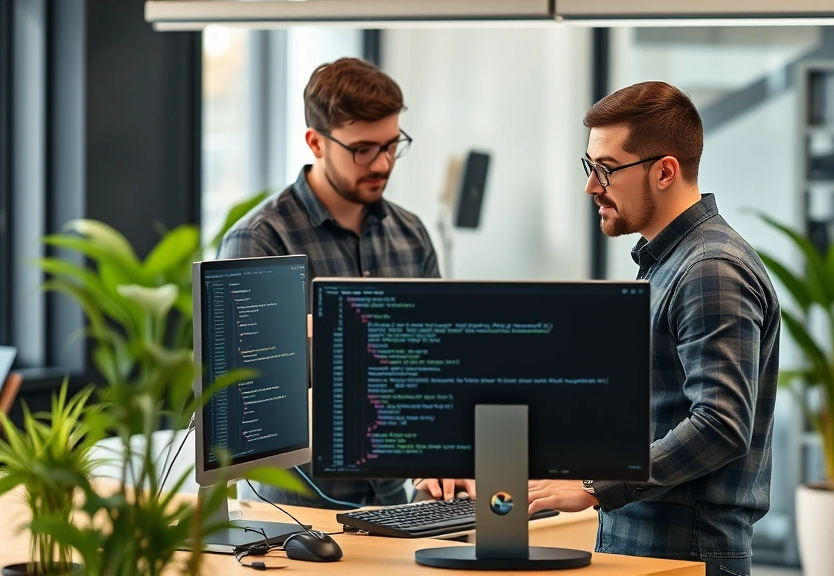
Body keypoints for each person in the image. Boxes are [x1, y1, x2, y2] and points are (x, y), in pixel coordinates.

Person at [416, 82, 779, 576]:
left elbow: (720, 424)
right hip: (648, 542)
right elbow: (655, 411)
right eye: (589, 167)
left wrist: (592, 485)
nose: (591, 186)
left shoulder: (709, 268)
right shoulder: (670, 262)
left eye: (606, 169)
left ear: (665, 171)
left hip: (686, 553)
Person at [219, 57, 440, 509]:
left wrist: (440, 461)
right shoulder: (260, 240)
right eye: (362, 149)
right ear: (315, 143)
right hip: (291, 515)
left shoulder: (410, 234)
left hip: (393, 501)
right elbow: (247, 398)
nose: (382, 163)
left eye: (391, 144)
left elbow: (433, 370)